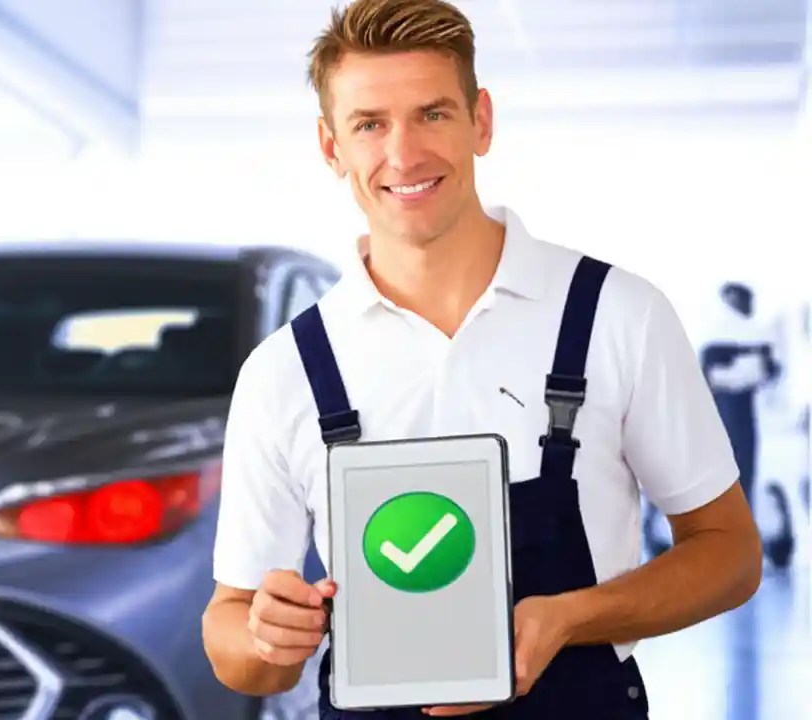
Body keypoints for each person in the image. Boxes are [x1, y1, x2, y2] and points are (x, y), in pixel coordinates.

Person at [199, 1, 764, 718]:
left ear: (482, 121)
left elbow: (730, 554)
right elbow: (233, 637)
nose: (403, 155)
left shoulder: (616, 314)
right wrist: (263, 638)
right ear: (330, 146)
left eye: (432, 114)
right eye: (369, 124)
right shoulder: (286, 371)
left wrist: (571, 618)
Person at [700, 282, 782, 502]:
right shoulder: (716, 332)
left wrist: (745, 371)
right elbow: (712, 374)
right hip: (723, 415)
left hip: (745, 416)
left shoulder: (755, 333)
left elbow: (769, 369)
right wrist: (748, 370)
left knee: (744, 472)